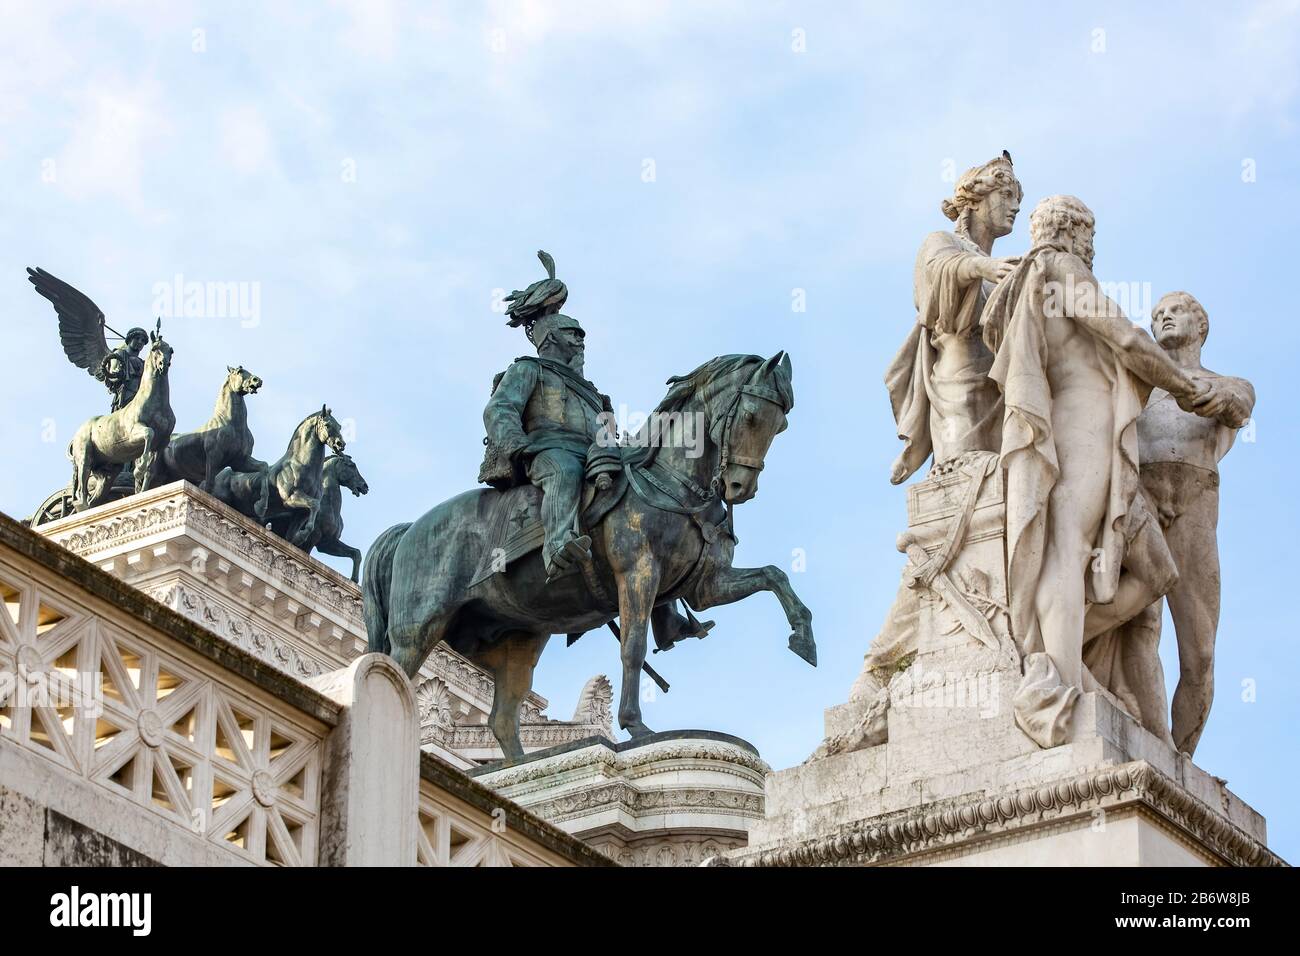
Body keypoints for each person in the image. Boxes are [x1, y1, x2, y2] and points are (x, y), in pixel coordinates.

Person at [980, 196, 1231, 745]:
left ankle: (1056, 653)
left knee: (1155, 572)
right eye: (1090, 236)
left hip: (1083, 432)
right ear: (1072, 233)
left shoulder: (1024, 282)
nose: (1093, 249)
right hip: (1083, 432)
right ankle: (1062, 680)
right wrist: (1184, 386)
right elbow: (1124, 336)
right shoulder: (1060, 269)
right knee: (1068, 549)